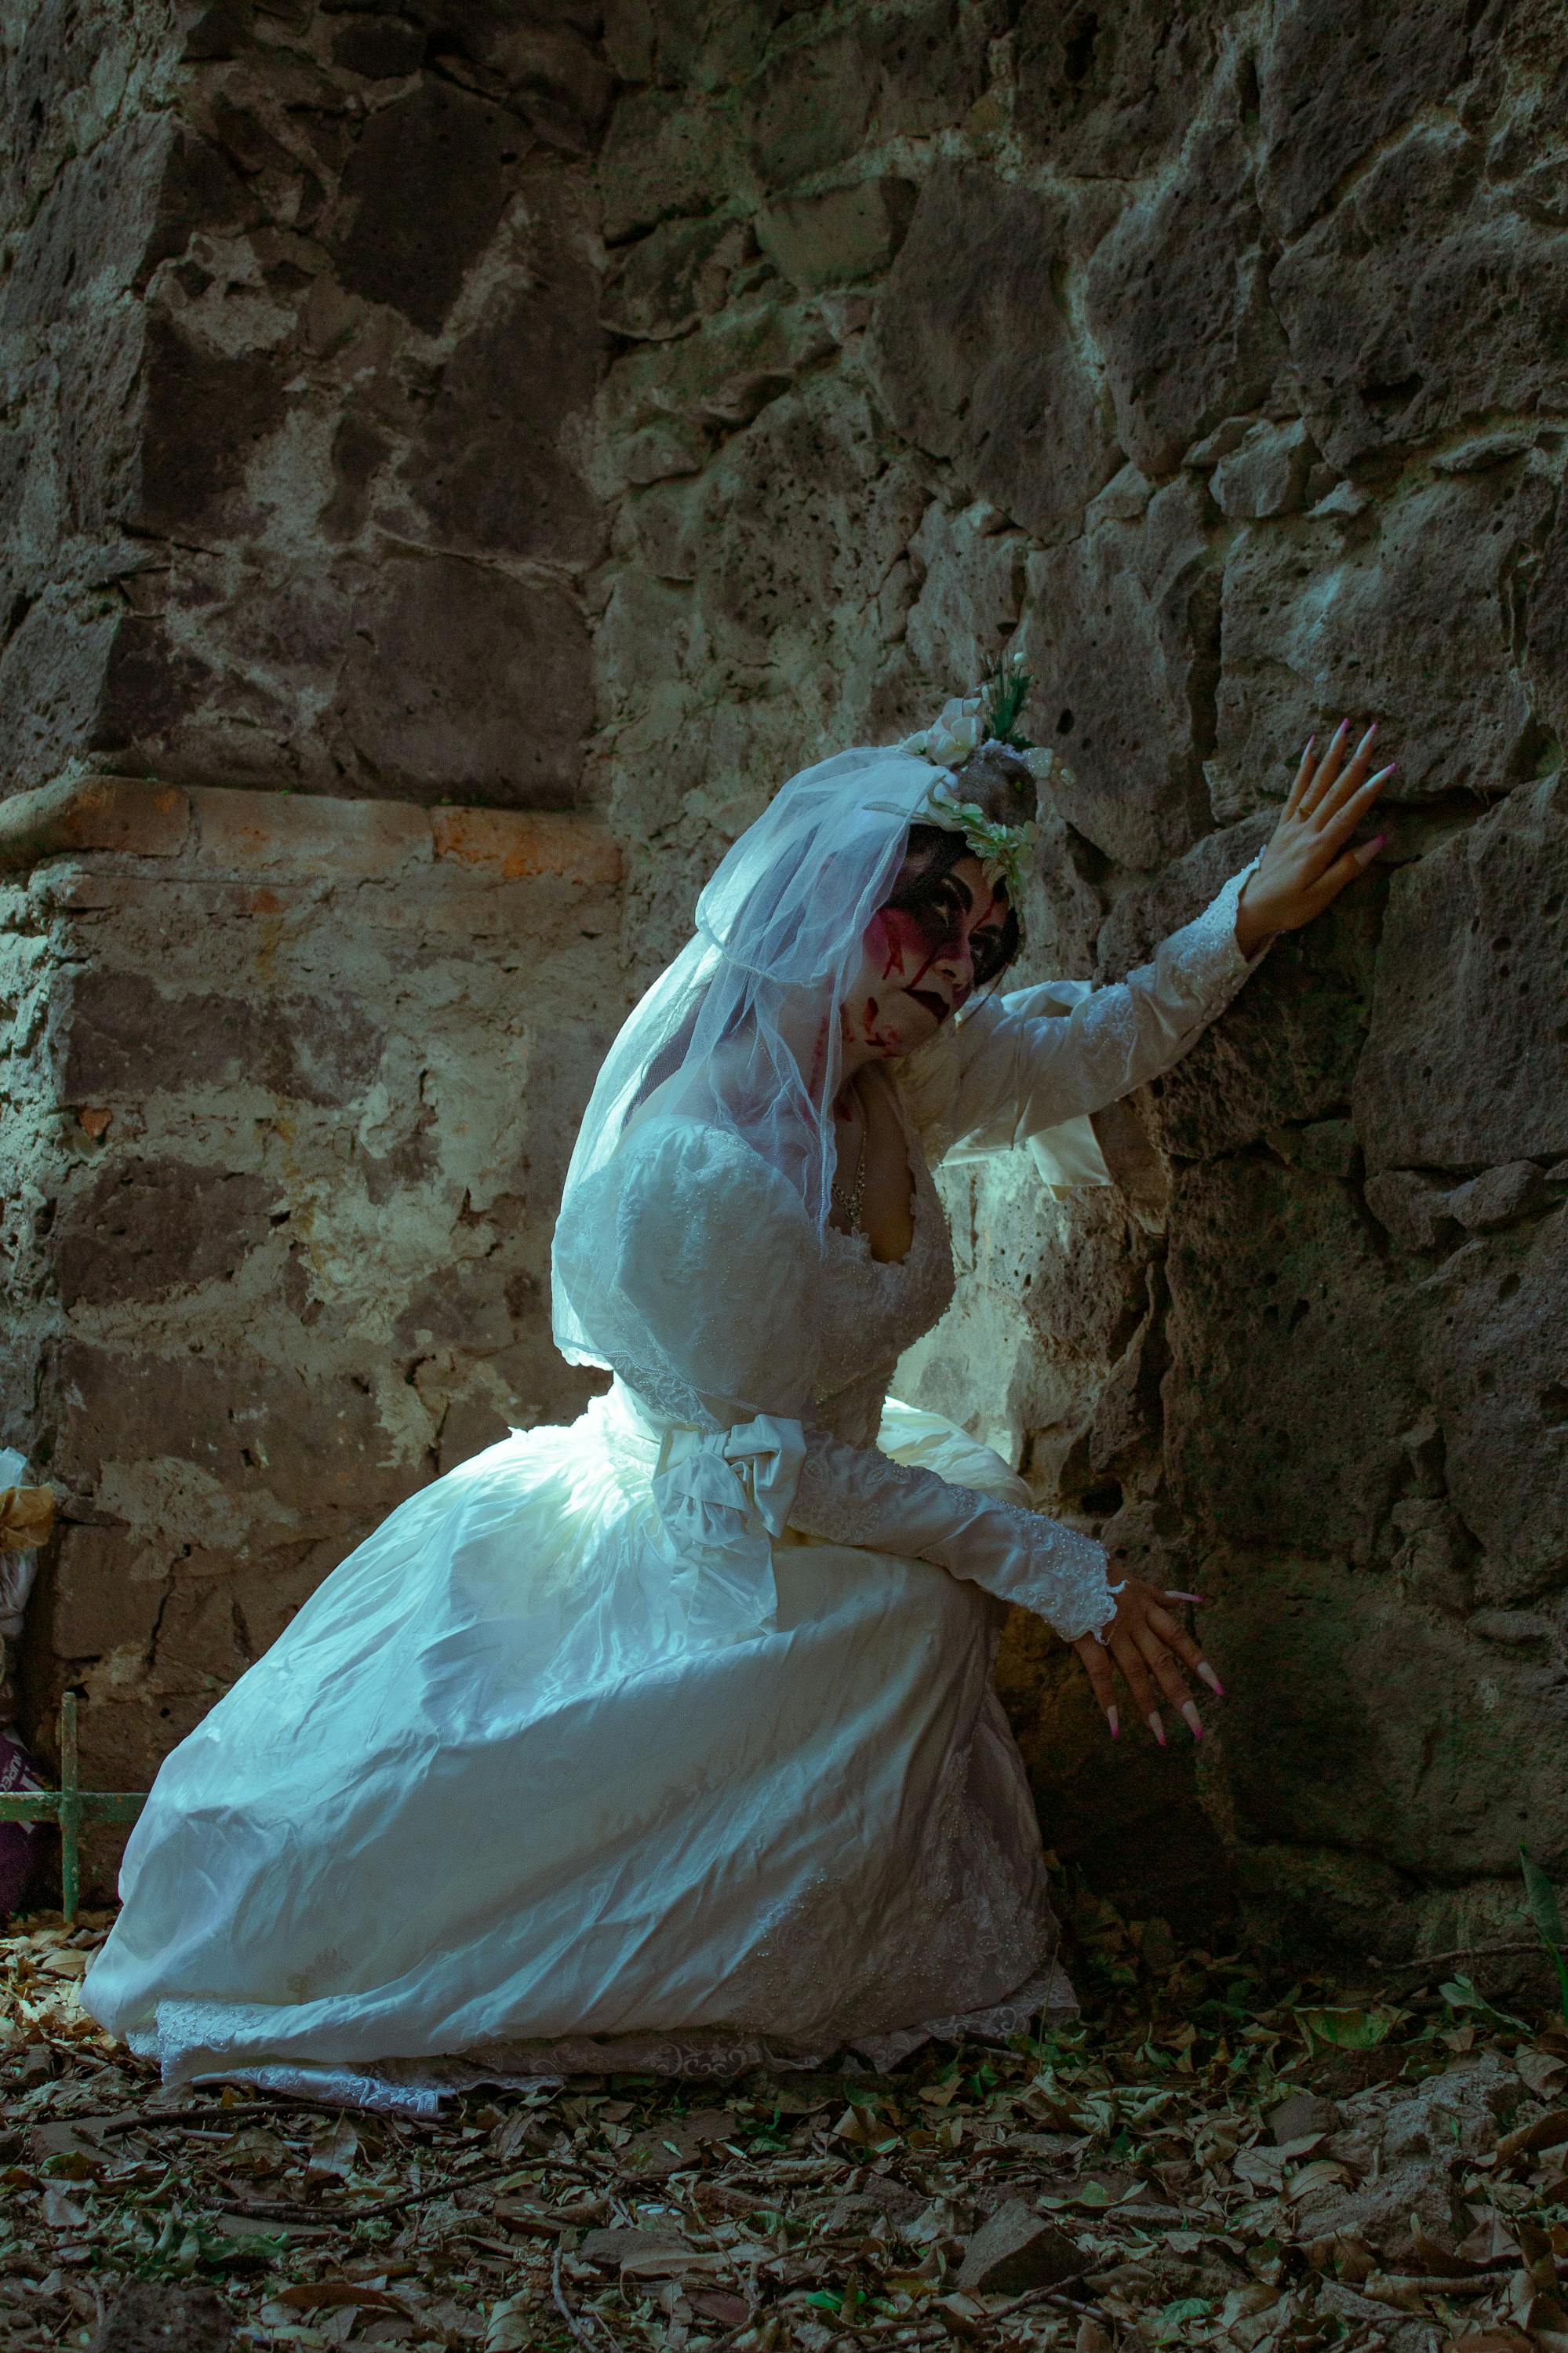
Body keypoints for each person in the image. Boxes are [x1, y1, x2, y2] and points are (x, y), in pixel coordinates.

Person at [81, 699, 1392, 2103]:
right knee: (377, 1840)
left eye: (985, 943)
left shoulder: (890, 1065)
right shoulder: (708, 1172)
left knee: (910, 1609)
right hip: (720, 1517)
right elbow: (777, 1472)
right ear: (827, 902)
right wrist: (1058, 1570)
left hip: (802, 1481)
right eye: (930, 923)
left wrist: (1247, 912)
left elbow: (1093, 1045)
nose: (958, 970)